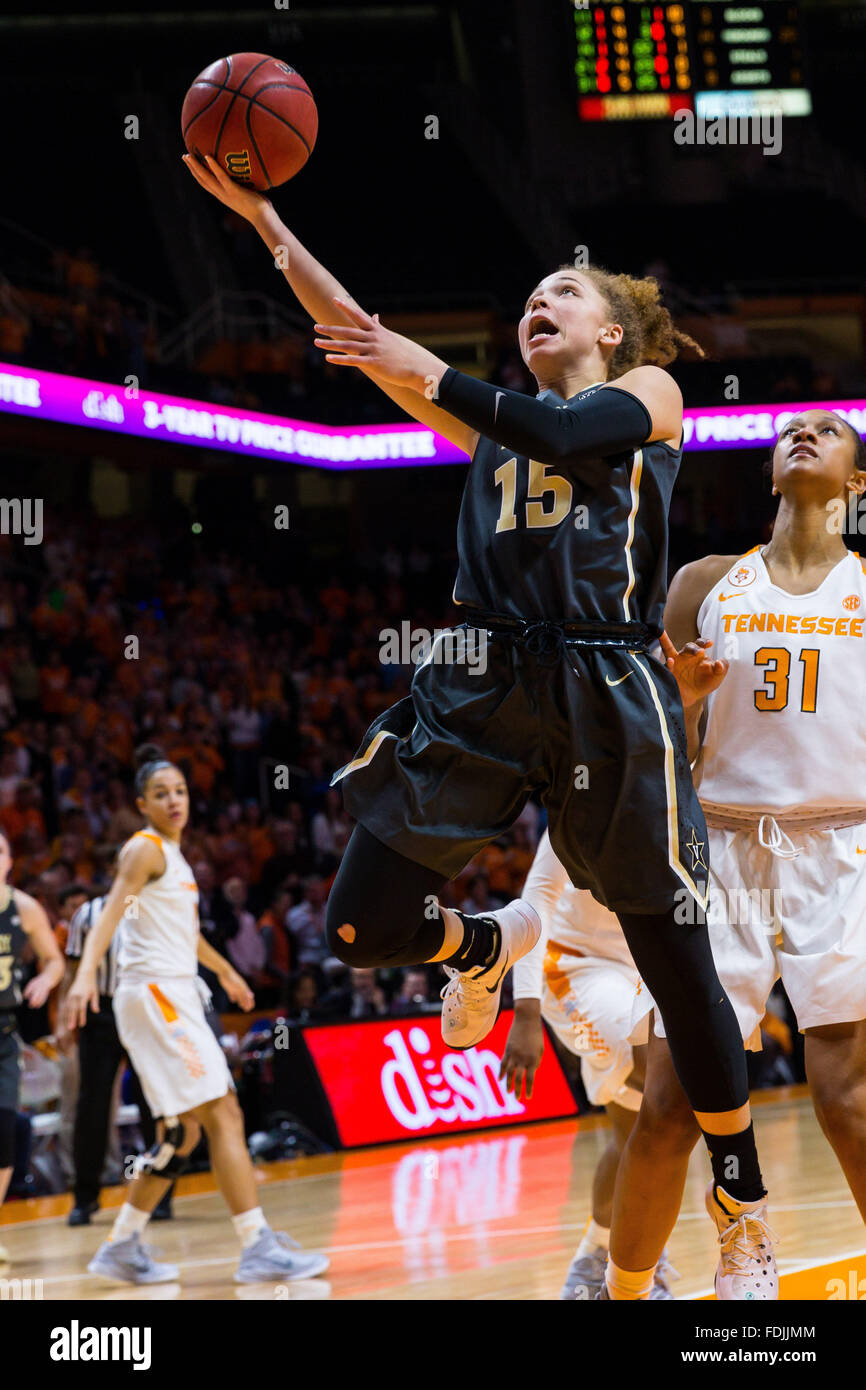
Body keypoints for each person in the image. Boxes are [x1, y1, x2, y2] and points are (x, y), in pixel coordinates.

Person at [184, 155, 771, 1297]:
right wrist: (264, 222)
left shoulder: (650, 399)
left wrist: (426, 372)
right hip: (487, 680)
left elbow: (553, 433)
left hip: (607, 678)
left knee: (672, 957)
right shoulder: (490, 424)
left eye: (563, 293)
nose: (536, 306)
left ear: (611, 335)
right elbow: (353, 328)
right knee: (356, 928)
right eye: (529, 299)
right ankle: (485, 946)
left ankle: (741, 1212)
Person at [597, 409, 866, 1299]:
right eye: (792, 428)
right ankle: (627, 1290)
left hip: (843, 849)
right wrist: (682, 702)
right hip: (723, 851)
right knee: (668, 1107)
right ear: (767, 470)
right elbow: (654, 743)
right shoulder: (703, 584)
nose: (805, 434)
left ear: (856, 485)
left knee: (848, 1101)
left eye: (829, 430)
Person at [65, 745, 328, 1286]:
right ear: (142, 804)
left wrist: (226, 971)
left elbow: (184, 935)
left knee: (182, 1133)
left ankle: (122, 1244)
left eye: (180, 790)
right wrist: (86, 973)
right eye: (160, 793)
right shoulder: (145, 850)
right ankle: (257, 1246)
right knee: (224, 1112)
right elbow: (110, 912)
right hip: (156, 996)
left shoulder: (176, 858)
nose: (173, 799)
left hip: (171, 994)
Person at [502, 831, 677, 1299]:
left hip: (641, 969)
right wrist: (525, 1012)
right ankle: (628, 1257)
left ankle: (604, 1255)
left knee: (636, 1132)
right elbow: (533, 904)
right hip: (571, 967)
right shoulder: (575, 806)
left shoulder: (681, 796)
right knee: (657, 1070)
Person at [63, 889, 170, 1227]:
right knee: (92, 1107)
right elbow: (73, 969)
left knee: (154, 1105)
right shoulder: (88, 913)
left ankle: (160, 1195)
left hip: (145, 1009)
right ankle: (85, 1198)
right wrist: (66, 1016)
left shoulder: (156, 907)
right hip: (101, 1011)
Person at [0, 830, 64, 1263]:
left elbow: (55, 959)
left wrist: (45, 978)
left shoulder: (23, 908)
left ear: (9, 859)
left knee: (5, 1131)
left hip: (4, 1034)